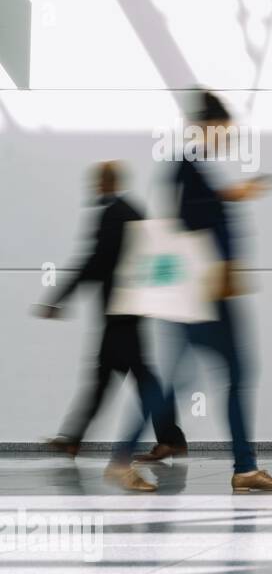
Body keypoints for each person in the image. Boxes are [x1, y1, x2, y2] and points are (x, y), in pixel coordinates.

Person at [131, 90, 272, 492]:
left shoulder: (194, 168)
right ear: (207, 127)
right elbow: (187, 224)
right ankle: (243, 468)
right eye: (225, 128)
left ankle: (244, 467)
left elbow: (193, 215)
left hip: (206, 292)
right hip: (206, 294)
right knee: (229, 375)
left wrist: (231, 196)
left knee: (192, 378)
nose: (229, 136)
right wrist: (230, 200)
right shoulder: (188, 166)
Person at [35, 162, 186, 492]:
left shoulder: (115, 214)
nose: (93, 187)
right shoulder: (131, 211)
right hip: (127, 311)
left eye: (97, 181)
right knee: (106, 379)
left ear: (106, 182)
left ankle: (167, 439)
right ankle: (76, 439)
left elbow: (95, 261)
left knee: (131, 378)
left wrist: (60, 298)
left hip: (121, 313)